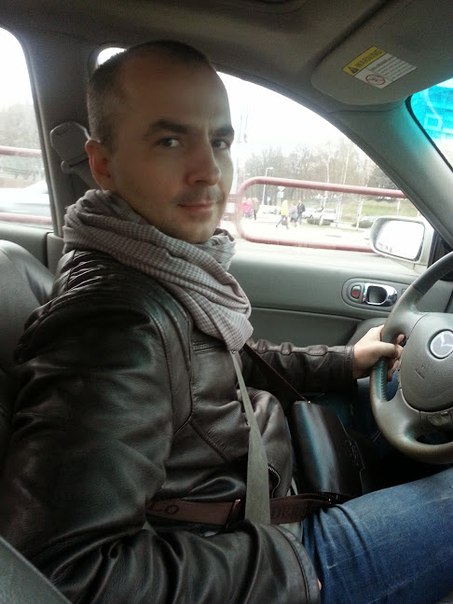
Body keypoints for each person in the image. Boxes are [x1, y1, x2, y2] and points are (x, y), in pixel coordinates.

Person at [0, 40, 452, 604]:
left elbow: (224, 360)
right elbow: (66, 572)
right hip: (274, 558)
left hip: (262, 482)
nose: (209, 171)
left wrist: (343, 362)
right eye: (170, 141)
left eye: (219, 141)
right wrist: (294, 571)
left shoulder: (160, 268)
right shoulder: (111, 333)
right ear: (102, 164)